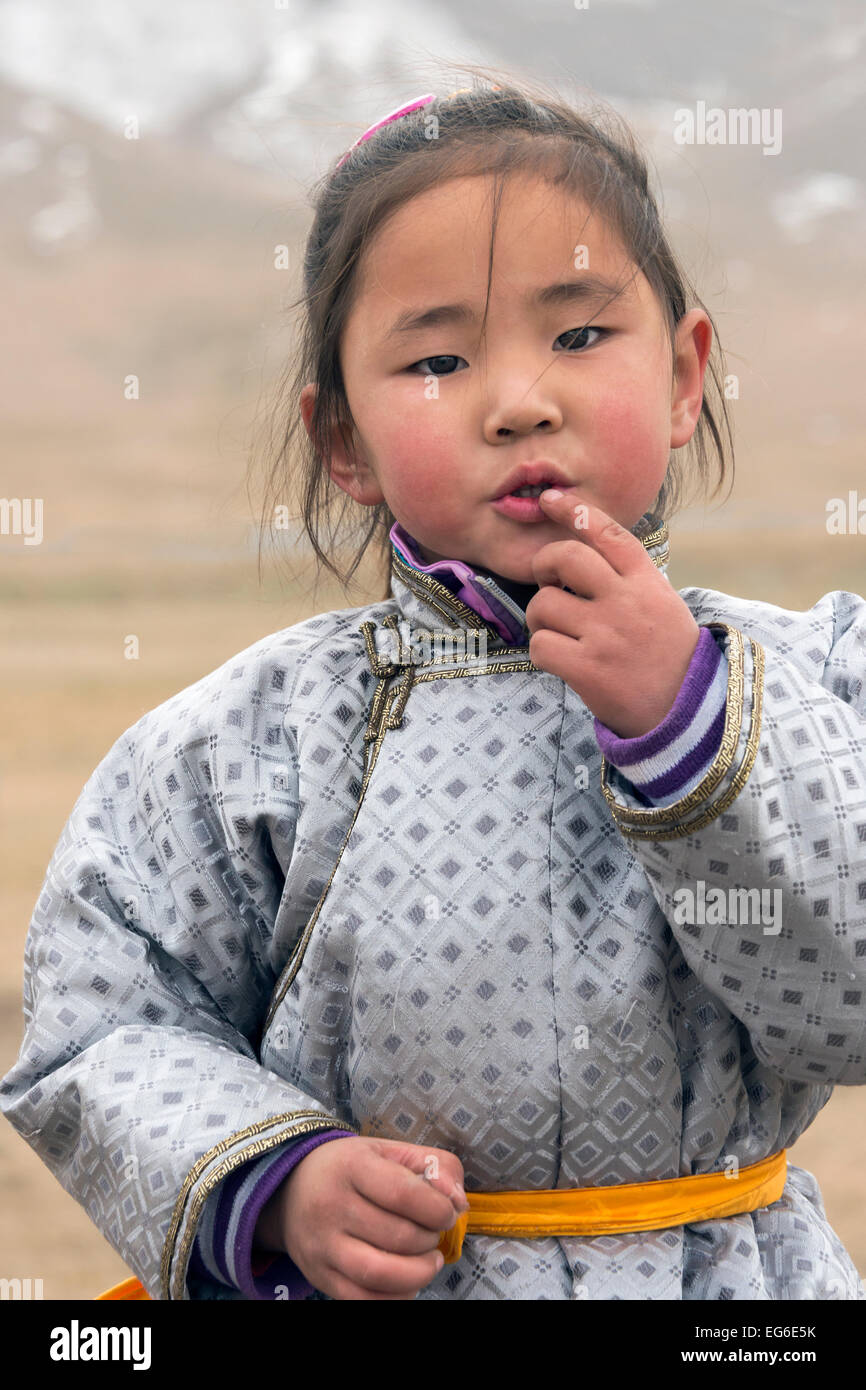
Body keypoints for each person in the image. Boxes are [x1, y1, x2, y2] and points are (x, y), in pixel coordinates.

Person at [3, 72, 865, 1303]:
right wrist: (278, 1183)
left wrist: (691, 722)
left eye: (578, 335)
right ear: (341, 438)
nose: (520, 402)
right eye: (436, 357)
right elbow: (102, 1017)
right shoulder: (247, 744)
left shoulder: (814, 677)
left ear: (684, 376)